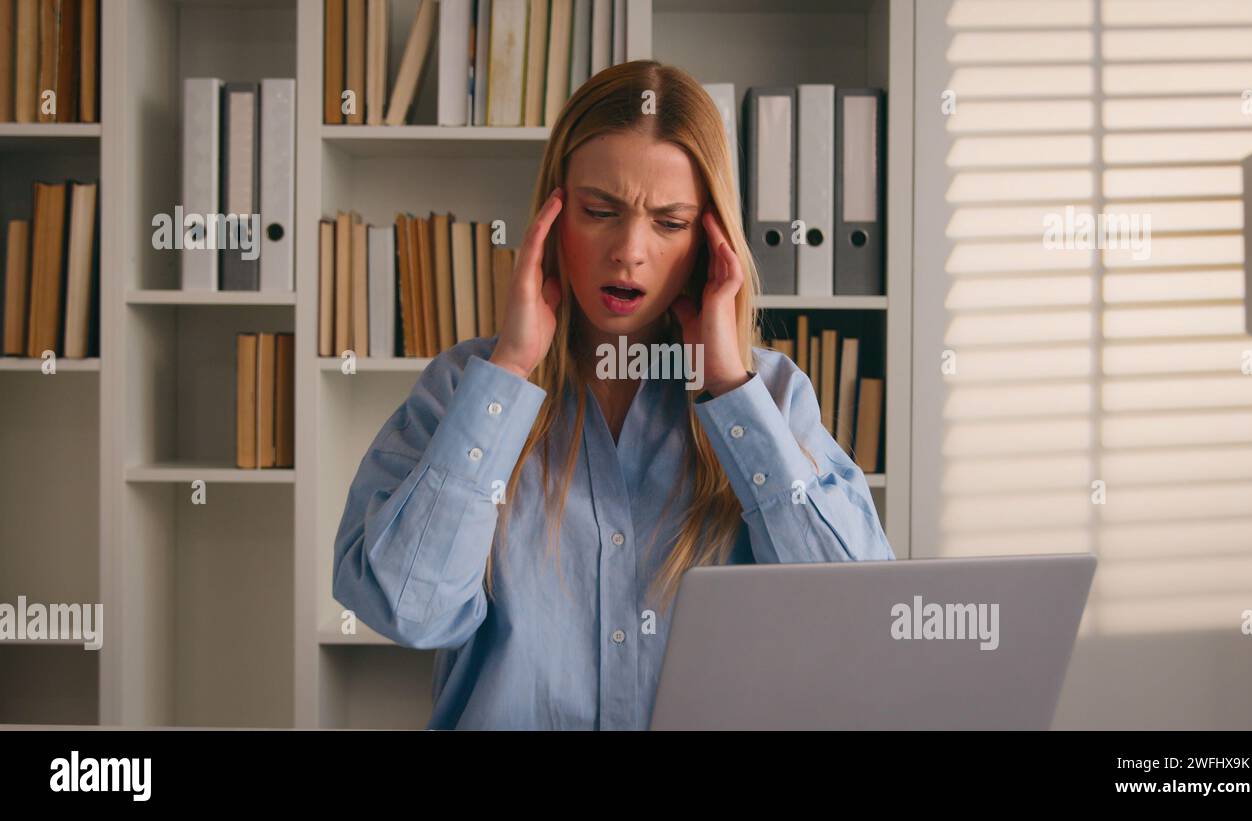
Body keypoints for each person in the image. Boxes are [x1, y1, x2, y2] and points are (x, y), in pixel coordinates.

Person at [332, 60, 894, 730]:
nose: (629, 250)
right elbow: (407, 610)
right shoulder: (465, 388)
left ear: (711, 240)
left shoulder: (771, 396)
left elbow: (852, 620)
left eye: (669, 221)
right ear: (553, 214)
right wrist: (509, 371)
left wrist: (729, 392)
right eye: (601, 211)